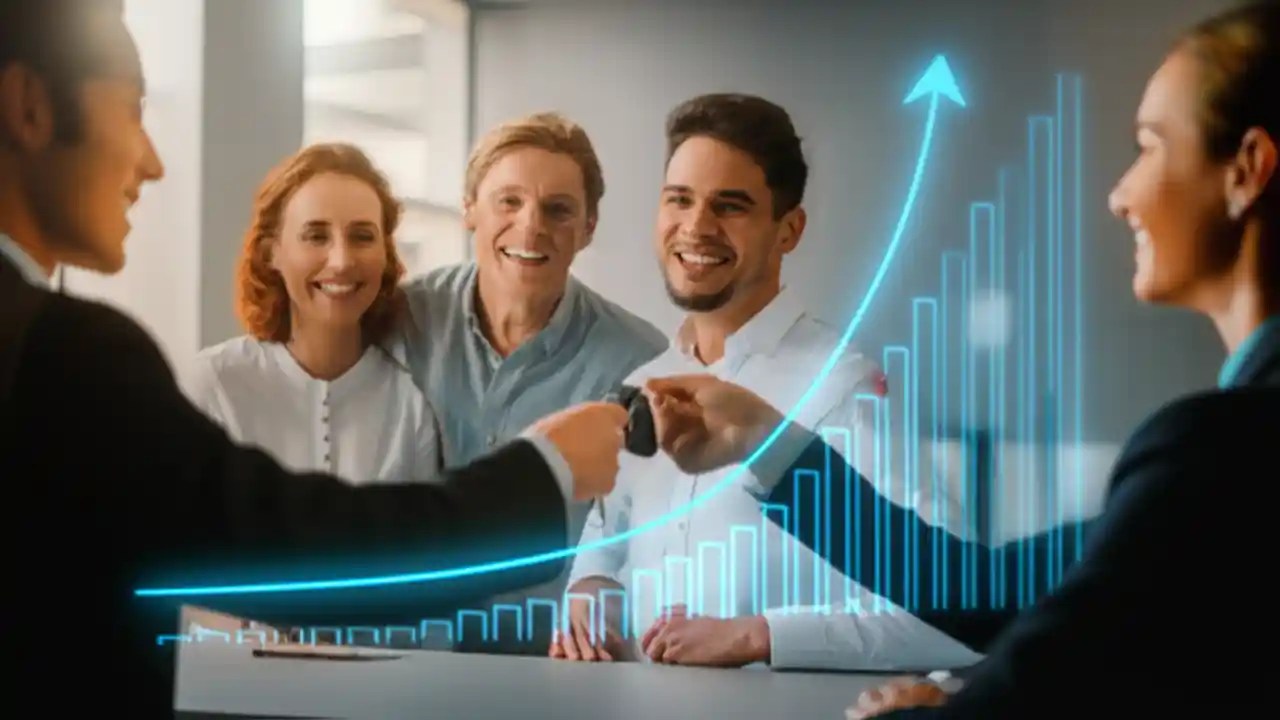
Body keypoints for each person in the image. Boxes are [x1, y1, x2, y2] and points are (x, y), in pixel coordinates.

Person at [647, 2, 1280, 714]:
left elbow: (1043, 669)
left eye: (1151, 146)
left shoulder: (1221, 452)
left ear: (1247, 169)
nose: (1120, 194)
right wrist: (766, 439)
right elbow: (984, 591)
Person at [0, 2, 628, 714]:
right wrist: (546, 466)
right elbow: (285, 546)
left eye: (363, 237)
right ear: (29, 107)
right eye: (130, 111)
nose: (152, 161)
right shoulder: (66, 353)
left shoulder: (407, 392)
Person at [548, 93, 978, 673]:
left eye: (730, 206)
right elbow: (605, 546)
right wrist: (590, 594)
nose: (696, 227)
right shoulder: (643, 383)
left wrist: (759, 635)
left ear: (788, 230)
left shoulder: (845, 389)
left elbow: (959, 620)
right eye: (680, 199)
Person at [398, 111, 667, 653]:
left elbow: (641, 533)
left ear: (588, 227)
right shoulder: (398, 321)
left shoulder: (640, 360)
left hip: (554, 667)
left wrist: (604, 601)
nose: (531, 226)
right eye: (509, 201)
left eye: (558, 209)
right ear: (469, 208)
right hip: (399, 656)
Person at [185, 142, 443, 485]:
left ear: (386, 254)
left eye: (362, 237)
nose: (341, 261)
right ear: (271, 253)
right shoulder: (214, 385)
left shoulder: (413, 401)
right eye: (316, 236)